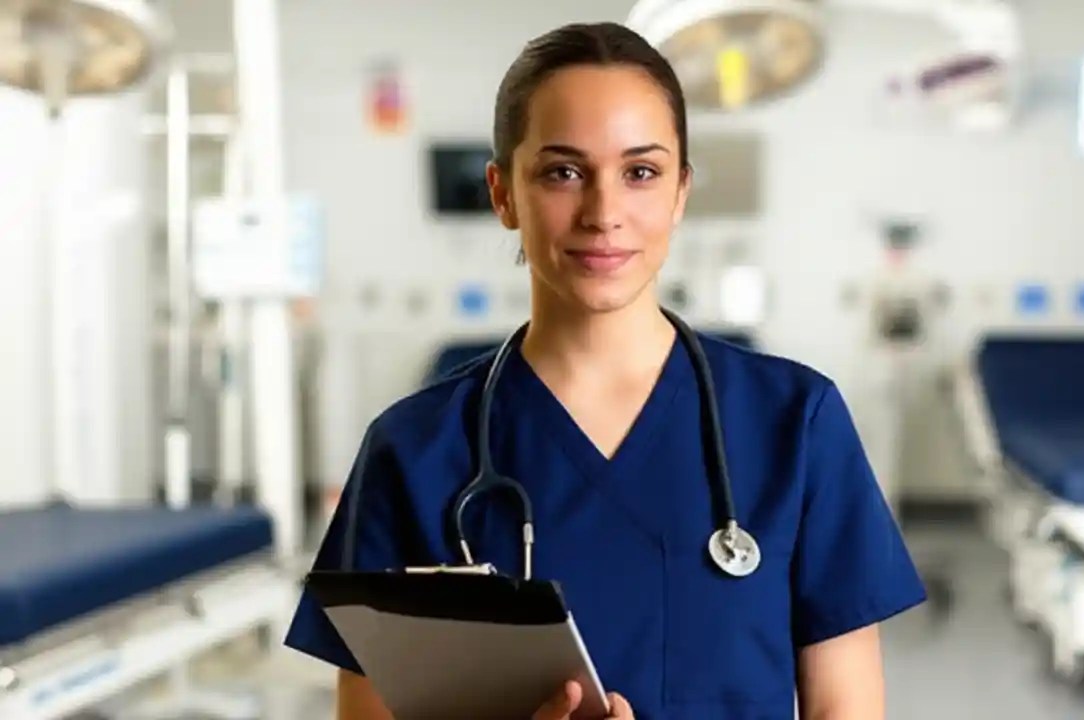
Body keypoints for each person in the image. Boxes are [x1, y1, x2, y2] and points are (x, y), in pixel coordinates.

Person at [284, 20, 927, 720]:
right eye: (563, 172)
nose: (604, 212)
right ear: (503, 195)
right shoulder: (413, 451)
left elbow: (847, 707)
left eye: (641, 172)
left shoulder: (794, 424)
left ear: (681, 191)